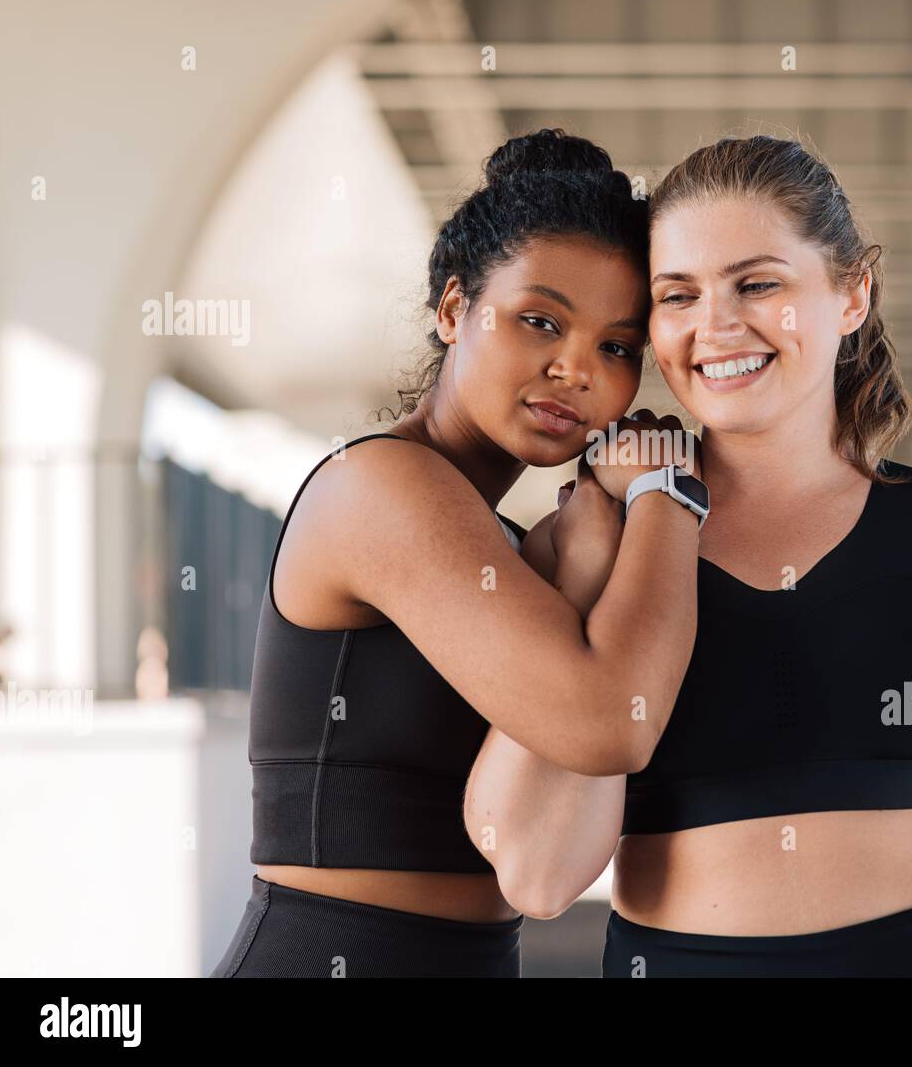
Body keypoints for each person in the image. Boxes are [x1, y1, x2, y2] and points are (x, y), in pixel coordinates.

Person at [467, 133, 912, 977]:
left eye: (757, 284)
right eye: (678, 295)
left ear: (852, 293)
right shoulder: (598, 539)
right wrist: (621, 528)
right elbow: (537, 871)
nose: (715, 326)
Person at [210, 129, 705, 977]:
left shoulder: (516, 547)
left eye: (617, 347)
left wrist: (587, 557)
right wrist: (671, 495)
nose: (574, 368)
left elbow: (545, 864)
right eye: (540, 320)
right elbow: (609, 718)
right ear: (452, 311)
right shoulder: (379, 487)